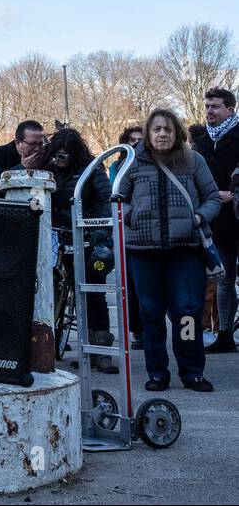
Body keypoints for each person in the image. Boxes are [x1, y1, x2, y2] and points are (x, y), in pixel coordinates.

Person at [120, 108, 219, 392]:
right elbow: (116, 198)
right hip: (143, 250)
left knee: (187, 312)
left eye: (168, 129)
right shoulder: (133, 162)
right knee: (150, 314)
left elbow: (212, 197)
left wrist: (198, 218)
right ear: (148, 134)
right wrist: (129, 215)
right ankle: (157, 373)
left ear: (177, 133)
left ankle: (191, 371)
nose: (162, 133)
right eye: (157, 129)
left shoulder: (193, 160)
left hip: (186, 250)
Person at [46, 127, 117, 373]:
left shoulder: (92, 171)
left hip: (88, 237)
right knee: (61, 288)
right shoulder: (47, 170)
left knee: (93, 293)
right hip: (58, 236)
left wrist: (98, 230)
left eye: (65, 153)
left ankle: (102, 351)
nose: (60, 158)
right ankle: (84, 347)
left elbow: (107, 199)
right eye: (57, 152)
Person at [195, 87, 238, 353]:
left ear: (230, 109)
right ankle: (224, 335)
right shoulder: (200, 140)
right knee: (223, 278)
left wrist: (233, 194)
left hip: (236, 213)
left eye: (215, 106)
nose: (209, 110)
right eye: (207, 106)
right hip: (217, 221)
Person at [109, 125, 145, 347]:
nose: (136, 144)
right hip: (127, 230)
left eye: (140, 140)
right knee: (130, 284)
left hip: (147, 230)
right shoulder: (118, 166)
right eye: (132, 140)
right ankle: (137, 330)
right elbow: (116, 194)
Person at [0, 120, 46, 197]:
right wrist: (21, 168)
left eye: (41, 144)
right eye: (32, 144)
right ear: (18, 143)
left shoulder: (46, 155)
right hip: (0, 206)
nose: (37, 149)